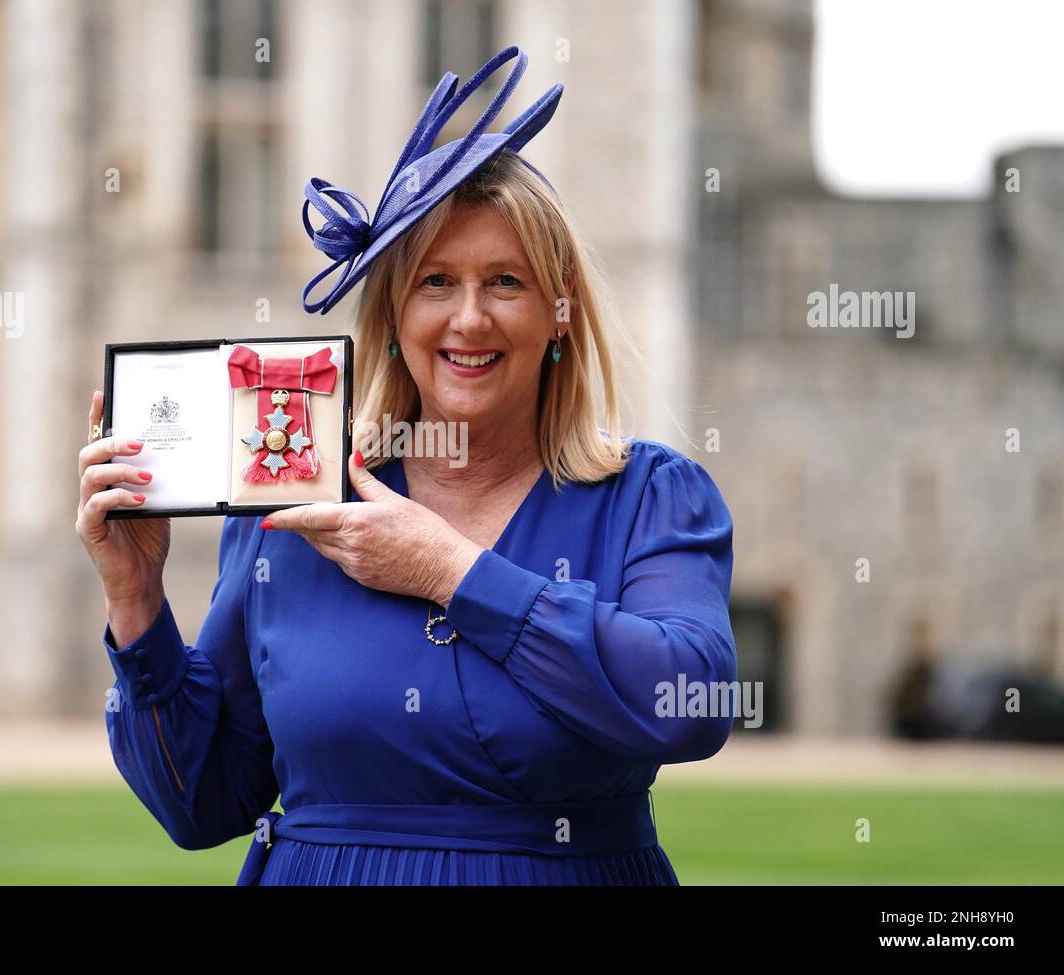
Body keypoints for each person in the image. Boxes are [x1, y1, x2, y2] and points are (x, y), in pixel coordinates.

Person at [76, 45, 737, 885]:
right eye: (434, 282)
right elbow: (203, 801)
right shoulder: (291, 505)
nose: (469, 318)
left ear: (560, 314)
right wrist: (134, 598)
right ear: (391, 313)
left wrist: (453, 571)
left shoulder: (649, 498)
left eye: (506, 281)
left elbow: (692, 702)